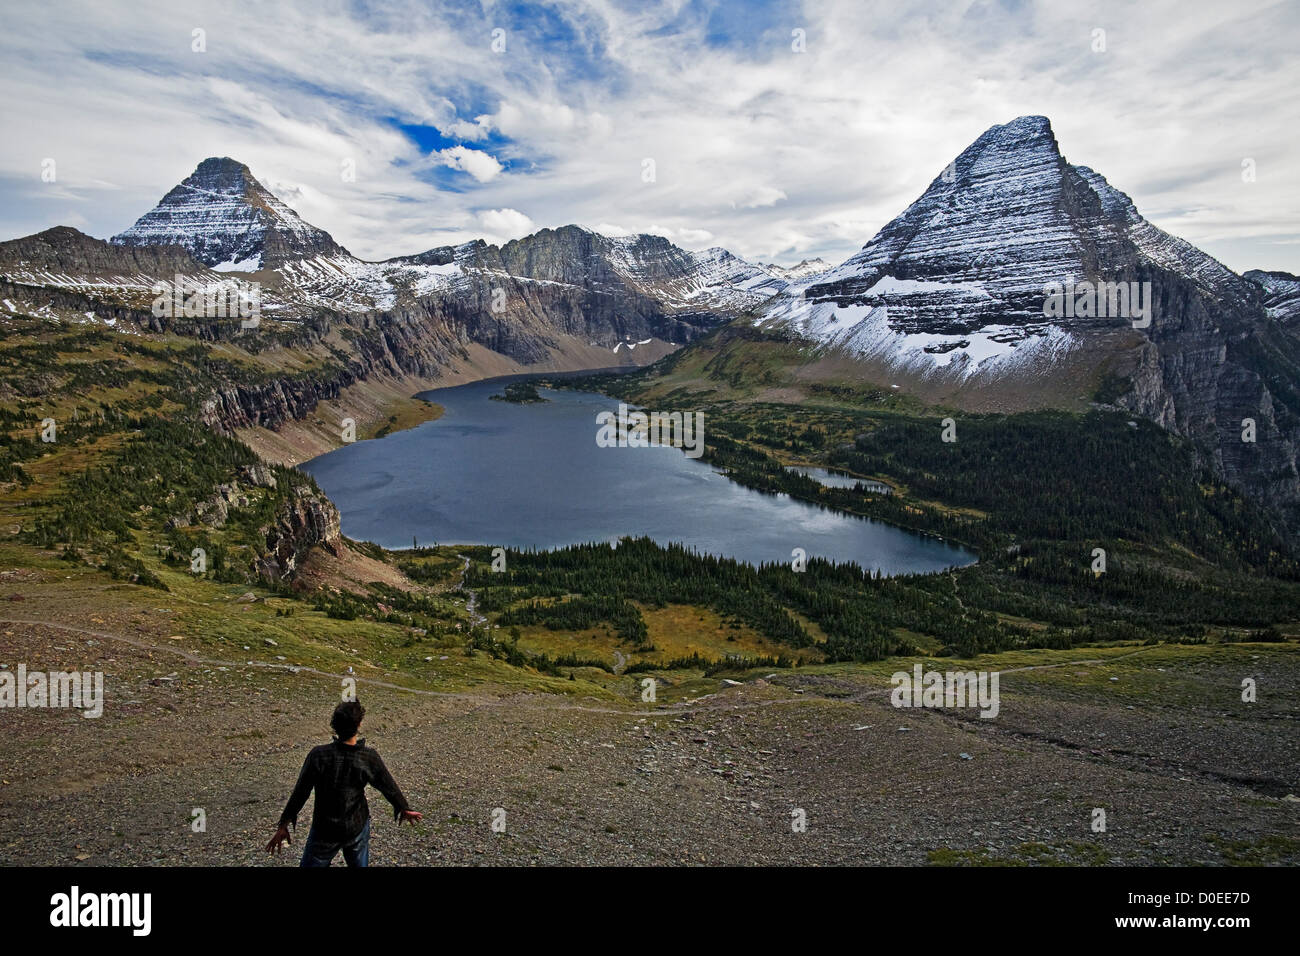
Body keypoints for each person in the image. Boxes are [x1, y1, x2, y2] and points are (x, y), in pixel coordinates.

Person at [265, 699, 422, 866]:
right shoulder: (367, 757)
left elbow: (300, 792)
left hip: (324, 829)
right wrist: (403, 807)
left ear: (334, 725)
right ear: (359, 724)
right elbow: (387, 785)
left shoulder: (319, 755)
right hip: (356, 825)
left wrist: (284, 824)